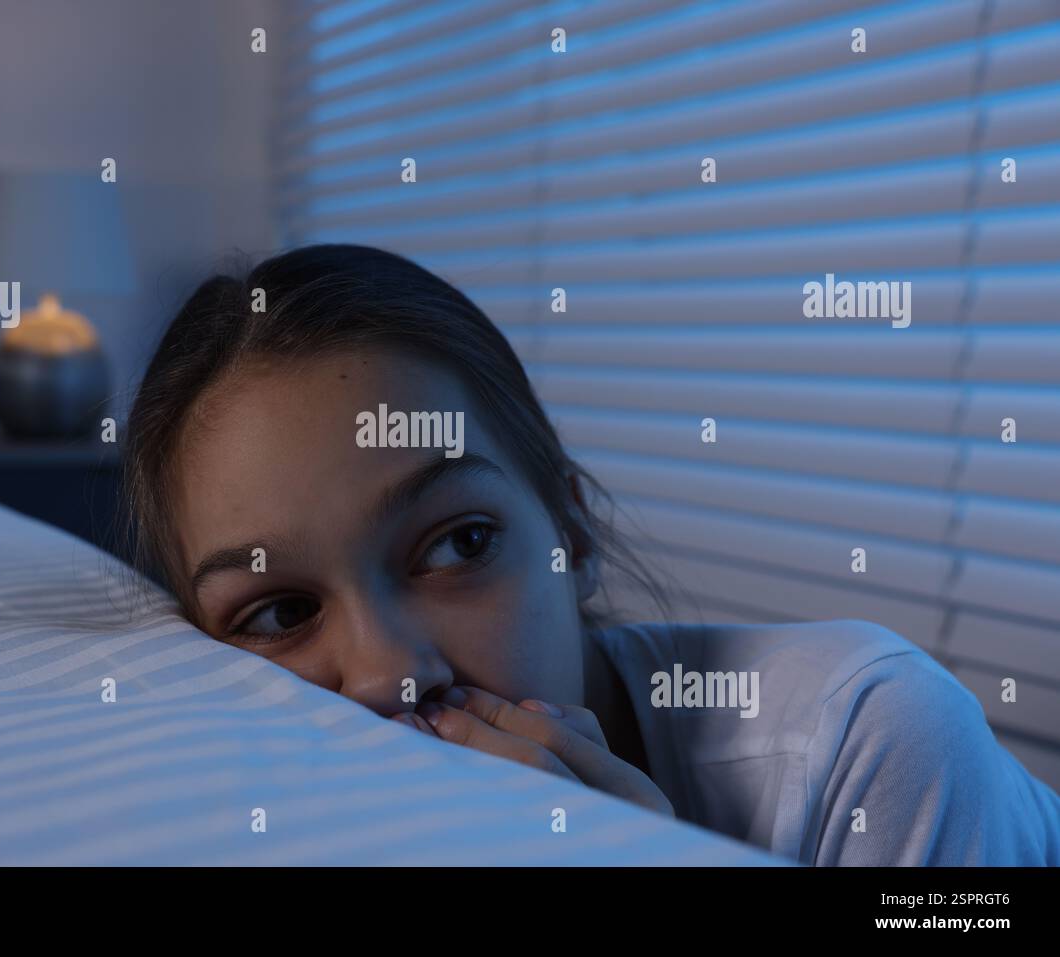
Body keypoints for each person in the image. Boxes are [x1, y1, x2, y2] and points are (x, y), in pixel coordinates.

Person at [122, 243, 1060, 865]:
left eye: (458, 543)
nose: (391, 674)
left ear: (570, 532)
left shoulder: (876, 735)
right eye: (281, 613)